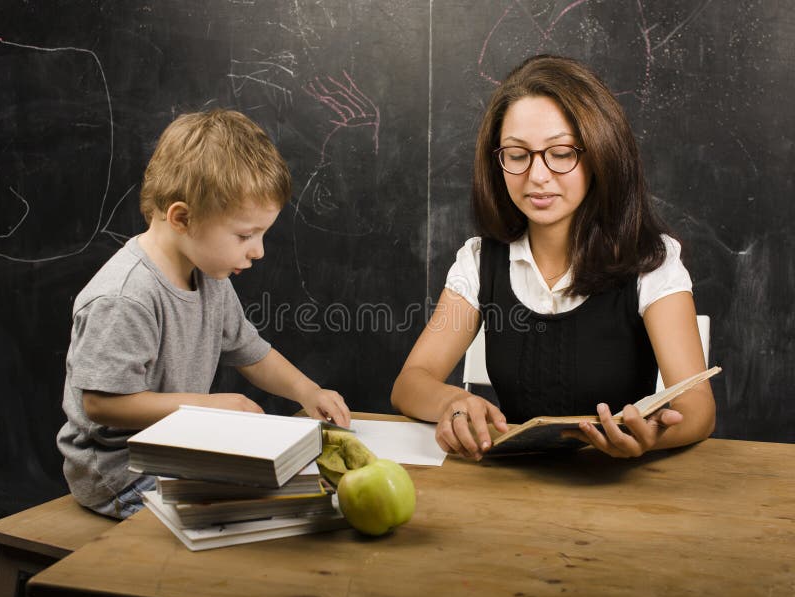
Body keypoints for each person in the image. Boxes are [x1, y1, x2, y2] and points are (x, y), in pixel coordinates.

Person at [391, 55, 715, 460]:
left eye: (561, 153)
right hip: (511, 484)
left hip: (617, 490)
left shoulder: (651, 260)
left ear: (600, 153)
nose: (537, 175)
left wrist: (651, 435)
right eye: (517, 154)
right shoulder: (480, 261)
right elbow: (410, 382)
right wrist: (450, 402)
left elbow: (698, 405)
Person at [57, 109, 350, 519]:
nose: (258, 251)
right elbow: (104, 405)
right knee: (258, 511)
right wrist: (207, 406)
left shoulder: (211, 278)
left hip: (178, 452)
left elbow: (251, 352)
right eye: (245, 235)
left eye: (263, 234)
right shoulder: (125, 297)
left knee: (293, 488)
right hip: (121, 472)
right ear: (182, 217)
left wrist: (307, 391)